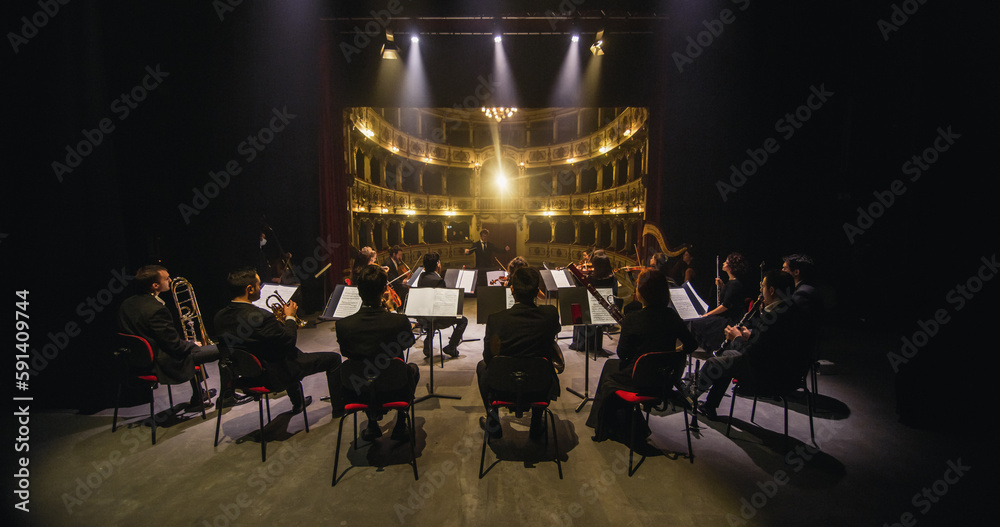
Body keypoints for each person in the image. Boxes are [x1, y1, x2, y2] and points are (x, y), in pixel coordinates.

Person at [587, 269, 698, 443]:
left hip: (640, 380)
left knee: (610, 371)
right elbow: (692, 345)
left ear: (641, 293)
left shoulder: (633, 318)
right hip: (665, 380)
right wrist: (674, 354)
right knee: (611, 368)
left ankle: (603, 427)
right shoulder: (672, 316)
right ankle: (624, 422)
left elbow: (623, 354)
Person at [214, 267, 342, 415]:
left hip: (245, 373)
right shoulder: (262, 316)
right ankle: (339, 409)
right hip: (275, 375)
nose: (260, 289)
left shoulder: (219, 316)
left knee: (278, 352)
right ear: (249, 289)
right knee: (333, 359)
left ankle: (298, 402)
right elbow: (288, 342)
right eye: (258, 285)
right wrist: (289, 318)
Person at [117, 265, 245, 409]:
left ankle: (198, 395)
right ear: (155, 285)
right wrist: (192, 345)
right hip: (162, 361)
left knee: (190, 347)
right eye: (166, 279)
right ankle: (227, 396)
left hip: (135, 361)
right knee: (224, 348)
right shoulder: (156, 309)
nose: (170, 280)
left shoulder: (127, 304)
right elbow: (174, 346)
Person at [695, 270, 812, 419]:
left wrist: (737, 338)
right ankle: (709, 406)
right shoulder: (792, 311)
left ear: (771, 290)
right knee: (727, 357)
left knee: (716, 363)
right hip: (789, 374)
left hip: (771, 376)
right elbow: (771, 342)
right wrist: (751, 335)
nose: (760, 291)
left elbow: (753, 355)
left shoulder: (775, 317)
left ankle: (691, 394)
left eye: (763, 287)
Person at [477, 267, 565, 439]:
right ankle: (536, 424)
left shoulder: (496, 319)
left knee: (482, 367)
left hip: (502, 386)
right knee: (542, 364)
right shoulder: (550, 315)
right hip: (540, 385)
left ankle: (493, 422)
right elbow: (555, 331)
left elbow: (488, 358)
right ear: (536, 291)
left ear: (512, 290)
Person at [336, 264, 419, 441]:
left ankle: (372, 423)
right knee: (409, 367)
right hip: (394, 389)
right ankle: (401, 422)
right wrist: (391, 310)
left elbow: (346, 352)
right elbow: (409, 342)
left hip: (358, 390)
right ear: (384, 290)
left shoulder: (343, 325)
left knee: (362, 364)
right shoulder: (398, 321)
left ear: (359, 292)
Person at [687, 252, 750, 351]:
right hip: (728, 315)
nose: (724, 263)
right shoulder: (732, 282)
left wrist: (707, 314)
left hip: (731, 319)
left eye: (726, 262)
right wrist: (722, 286)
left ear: (731, 266)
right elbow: (730, 296)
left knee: (698, 322)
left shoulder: (735, 284)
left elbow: (725, 305)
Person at [415, 251, 468, 358]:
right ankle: (451, 347)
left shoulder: (421, 277)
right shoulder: (438, 280)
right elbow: (443, 304)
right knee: (463, 320)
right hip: (436, 318)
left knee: (431, 311)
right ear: (437, 264)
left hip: (422, 317)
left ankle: (428, 341)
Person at [569, 250, 619, 352]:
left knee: (579, 308)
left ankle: (579, 344)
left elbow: (580, 291)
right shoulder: (613, 279)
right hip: (605, 311)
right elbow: (615, 294)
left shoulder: (591, 280)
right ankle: (595, 345)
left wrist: (574, 275)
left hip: (591, 311)